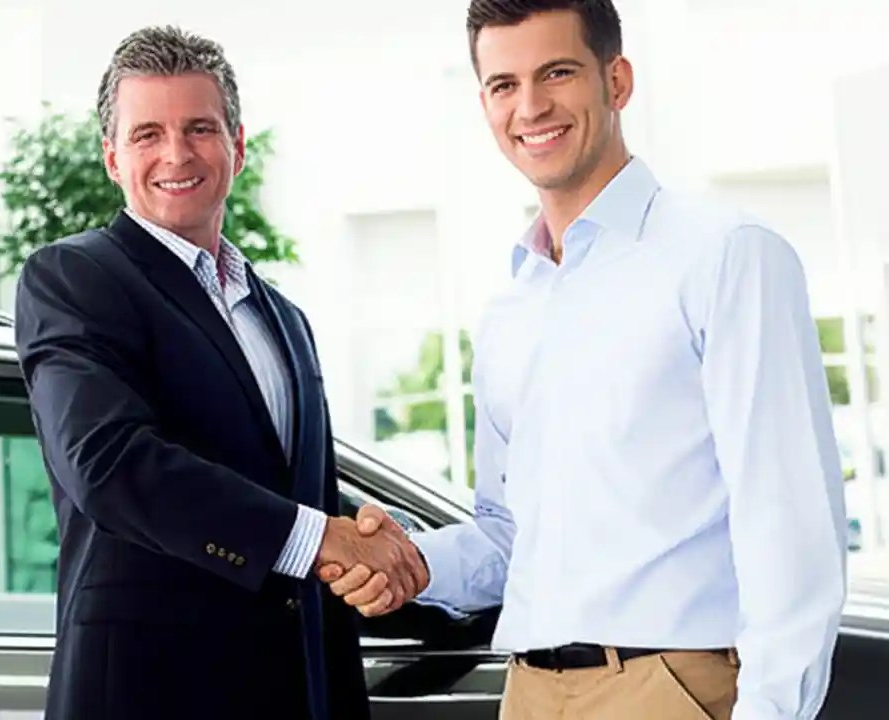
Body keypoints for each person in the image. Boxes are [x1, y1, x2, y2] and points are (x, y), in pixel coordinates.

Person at [319, 1, 848, 718]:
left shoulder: (725, 256)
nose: (530, 106)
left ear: (617, 80)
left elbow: (791, 536)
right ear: (485, 105)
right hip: (531, 693)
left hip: (669, 688)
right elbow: (511, 535)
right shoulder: (513, 305)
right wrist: (403, 560)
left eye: (557, 73)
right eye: (504, 85)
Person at [13, 25, 427, 720]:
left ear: (236, 146)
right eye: (147, 133)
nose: (176, 153)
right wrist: (322, 537)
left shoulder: (284, 318)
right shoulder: (75, 279)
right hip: (149, 696)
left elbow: (297, 498)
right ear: (112, 157)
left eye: (199, 128)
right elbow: (108, 463)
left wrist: (367, 546)